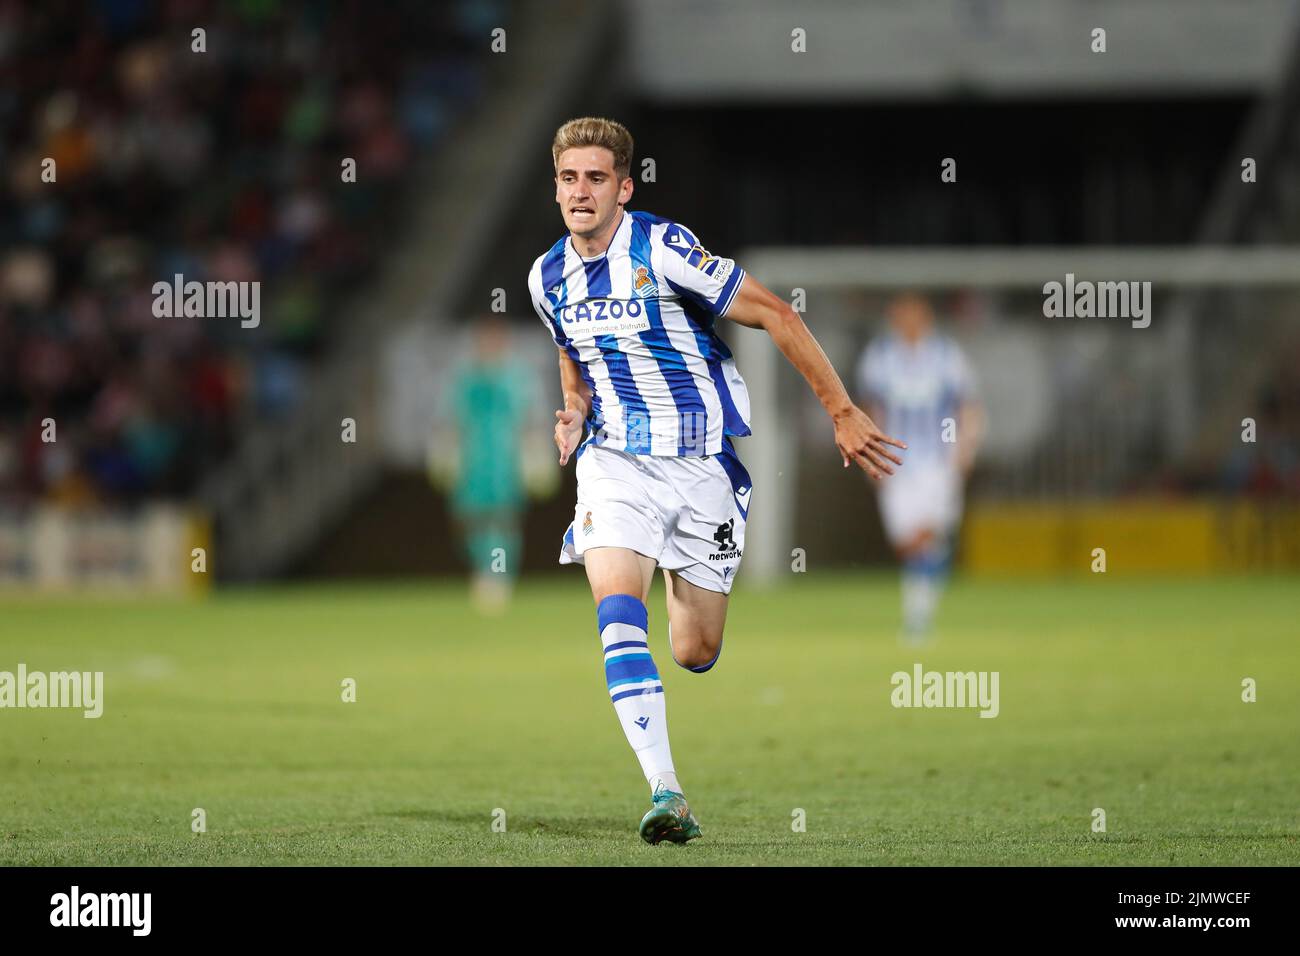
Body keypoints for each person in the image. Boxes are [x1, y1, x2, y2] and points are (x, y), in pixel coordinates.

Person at [526, 117, 905, 844]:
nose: (581, 191)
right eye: (570, 178)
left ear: (624, 187)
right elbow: (569, 350)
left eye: (597, 177)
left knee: (696, 650)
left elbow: (774, 312)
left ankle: (677, 572)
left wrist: (843, 409)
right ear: (556, 186)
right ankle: (667, 790)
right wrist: (574, 409)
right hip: (614, 464)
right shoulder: (546, 278)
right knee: (615, 601)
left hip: (700, 468)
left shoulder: (664, 249)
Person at [856, 293, 984, 644]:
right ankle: (924, 598)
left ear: (925, 318)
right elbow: (870, 408)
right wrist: (871, 454)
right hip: (896, 463)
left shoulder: (947, 356)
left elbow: (968, 405)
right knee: (907, 543)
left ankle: (917, 618)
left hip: (938, 461)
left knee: (924, 535)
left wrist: (965, 450)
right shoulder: (880, 357)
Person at [442, 315, 532, 612]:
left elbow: (526, 418)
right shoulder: (467, 378)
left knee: (503, 518)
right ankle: (482, 568)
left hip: (504, 457)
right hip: (474, 456)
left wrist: (531, 454)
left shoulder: (514, 377)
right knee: (472, 517)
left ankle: (499, 576)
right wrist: (449, 453)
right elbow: (454, 418)